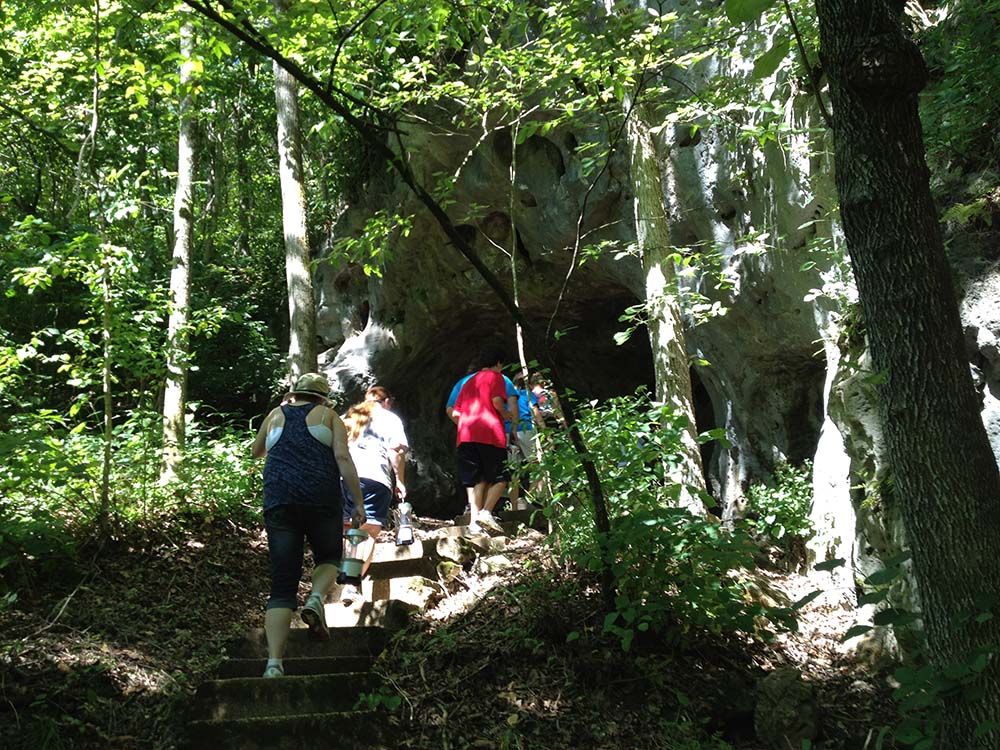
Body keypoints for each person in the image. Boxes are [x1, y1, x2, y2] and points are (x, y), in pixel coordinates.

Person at [251, 372, 364, 679]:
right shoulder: (328, 416)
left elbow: (256, 451)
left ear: (295, 394)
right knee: (329, 557)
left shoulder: (275, 415)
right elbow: (342, 456)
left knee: (282, 585)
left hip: (279, 502)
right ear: (322, 397)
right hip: (321, 499)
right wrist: (358, 501)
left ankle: (274, 663)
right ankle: (316, 597)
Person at [338, 385, 410, 603]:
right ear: (386, 401)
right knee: (368, 532)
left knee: (350, 528)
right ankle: (351, 584)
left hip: (343, 476)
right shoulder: (389, 419)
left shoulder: (348, 416)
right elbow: (395, 450)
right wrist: (400, 481)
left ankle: (349, 576)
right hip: (374, 476)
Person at [451, 350, 517, 533]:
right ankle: (486, 512)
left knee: (478, 480)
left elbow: (455, 412)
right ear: (497, 363)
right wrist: (506, 415)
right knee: (502, 477)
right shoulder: (496, 377)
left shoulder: (468, 382)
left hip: (466, 435)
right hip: (490, 434)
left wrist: (467, 424)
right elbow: (497, 401)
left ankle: (474, 523)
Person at [507, 372, 543, 510]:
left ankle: (514, 507)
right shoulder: (528, 395)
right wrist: (545, 431)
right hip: (526, 430)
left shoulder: (507, 396)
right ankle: (532, 497)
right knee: (538, 464)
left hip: (510, 432)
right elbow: (536, 413)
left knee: (514, 471)